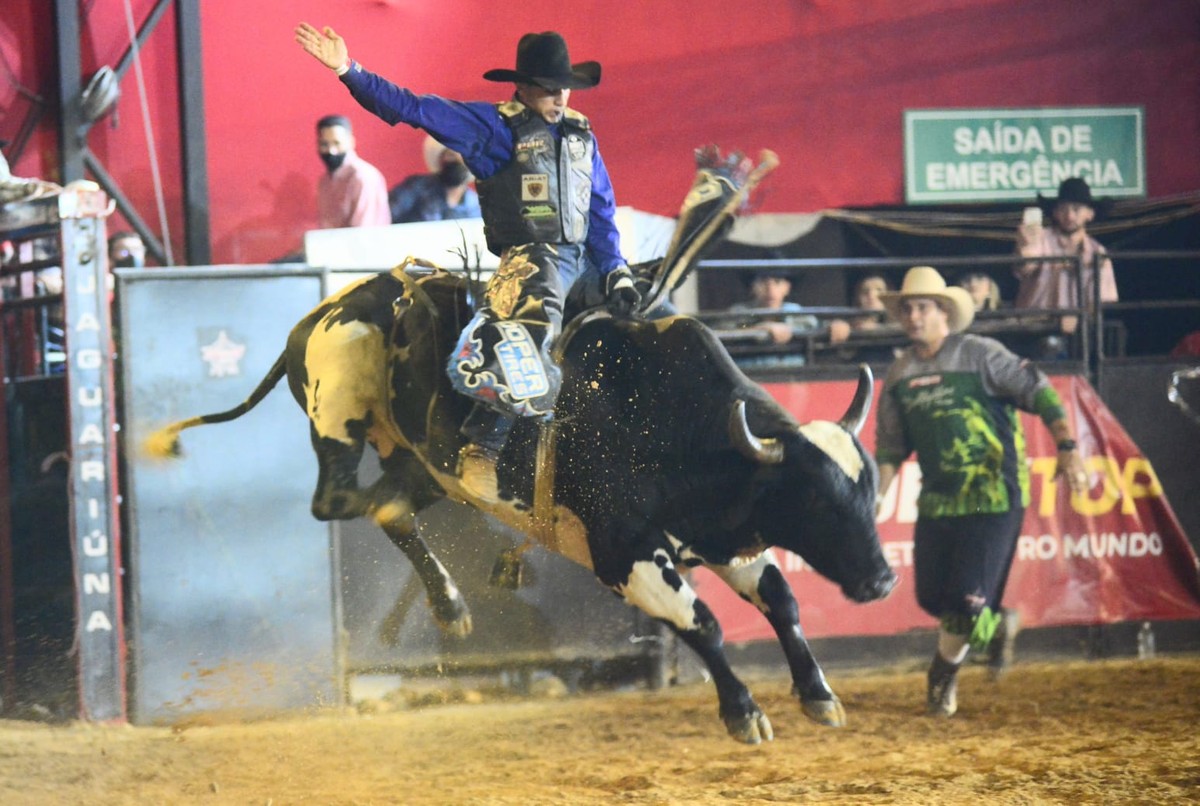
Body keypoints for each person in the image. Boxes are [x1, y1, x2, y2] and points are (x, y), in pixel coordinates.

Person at [295, 25, 641, 500]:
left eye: (564, 87)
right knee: (536, 320)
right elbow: (412, 108)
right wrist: (347, 70)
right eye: (548, 87)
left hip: (583, 262)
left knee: (647, 306)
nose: (560, 97)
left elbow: (600, 208)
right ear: (522, 87)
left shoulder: (581, 136)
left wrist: (617, 269)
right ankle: (484, 446)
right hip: (531, 259)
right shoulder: (491, 127)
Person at [873, 266, 1090, 718]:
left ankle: (941, 676)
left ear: (944, 312)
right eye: (907, 309)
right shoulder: (899, 374)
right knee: (933, 600)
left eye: (923, 307)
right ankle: (998, 625)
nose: (914, 316)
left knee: (967, 602)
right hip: (938, 501)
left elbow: (1038, 389)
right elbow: (891, 447)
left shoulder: (980, 355)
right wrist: (875, 497)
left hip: (994, 497)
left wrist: (1067, 446)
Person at [1014, 177, 1117, 353]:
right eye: (1063, 209)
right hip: (1033, 329)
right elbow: (1024, 267)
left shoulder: (1098, 252)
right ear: (1055, 213)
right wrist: (1024, 246)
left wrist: (1079, 316)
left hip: (1078, 334)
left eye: (1076, 209)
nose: (1069, 216)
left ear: (1089, 214)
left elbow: (1101, 302)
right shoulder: (1040, 238)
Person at [314, 114, 391, 230]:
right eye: (325, 144)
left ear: (351, 142)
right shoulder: (324, 182)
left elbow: (363, 232)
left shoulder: (363, 177)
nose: (331, 151)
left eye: (337, 143)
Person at [389, 135, 482, 223]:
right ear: (440, 159)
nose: (458, 161)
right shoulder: (416, 188)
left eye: (463, 158)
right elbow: (388, 213)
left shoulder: (474, 205)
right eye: (451, 155)